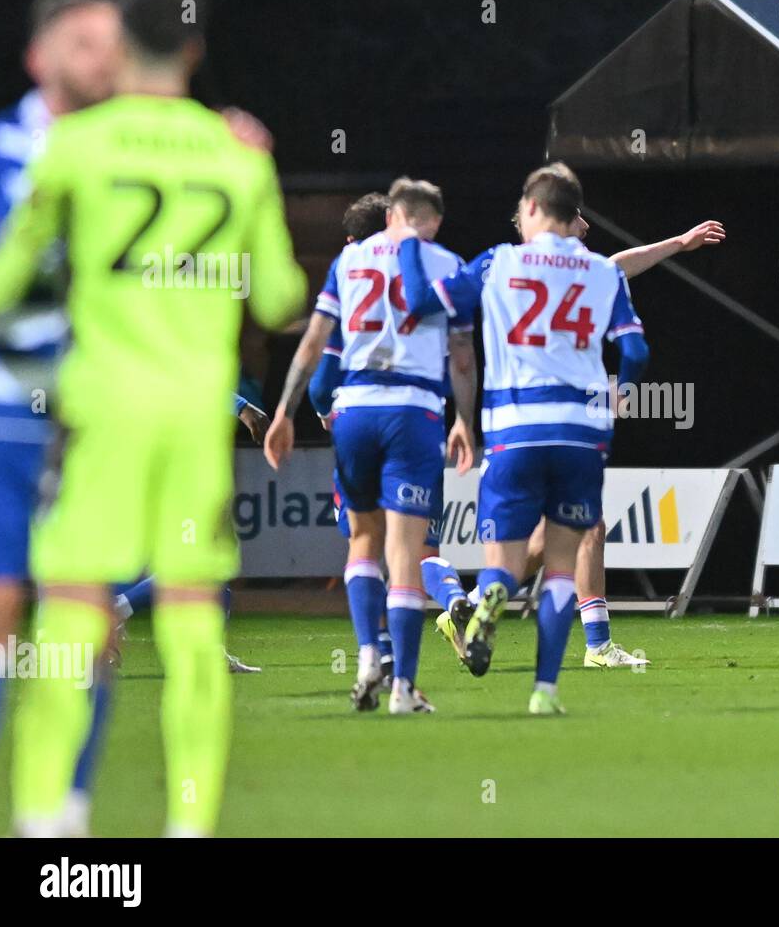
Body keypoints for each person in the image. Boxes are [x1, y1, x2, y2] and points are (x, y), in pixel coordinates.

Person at [0, 0, 306, 837]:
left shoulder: (79, 149)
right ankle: (190, 825)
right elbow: (279, 299)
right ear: (195, 49)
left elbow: (3, 286)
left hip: (99, 417)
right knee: (197, 627)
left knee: (71, 611)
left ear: (122, 47)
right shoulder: (234, 155)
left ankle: (48, 820)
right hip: (194, 422)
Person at [435, 213, 725, 669]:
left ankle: (471, 605)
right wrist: (623, 392)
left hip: (513, 426)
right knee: (582, 527)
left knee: (562, 534)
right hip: (559, 424)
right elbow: (625, 310)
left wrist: (677, 241)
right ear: (552, 218)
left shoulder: (508, 267)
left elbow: (617, 266)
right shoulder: (556, 272)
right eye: (576, 216)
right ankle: (594, 645)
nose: (586, 226)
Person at [421, 162, 648, 714]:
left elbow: (429, 301)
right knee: (563, 568)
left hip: (514, 432)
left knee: (505, 558)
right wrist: (613, 403)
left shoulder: (498, 262)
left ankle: (491, 594)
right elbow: (636, 352)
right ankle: (545, 692)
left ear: (528, 208)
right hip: (578, 434)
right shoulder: (602, 272)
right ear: (575, 216)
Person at [265, 178, 476, 714]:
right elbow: (462, 356)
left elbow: (313, 342)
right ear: (435, 220)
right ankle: (403, 687)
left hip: (355, 409)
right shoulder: (448, 263)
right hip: (413, 412)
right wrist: (466, 422)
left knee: (362, 540)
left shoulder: (349, 262)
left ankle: (366, 657)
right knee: (406, 554)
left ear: (391, 215)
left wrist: (285, 412)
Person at [0, 0, 119, 796]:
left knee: (90, 621)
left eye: (113, 44)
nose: (103, 60)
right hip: (2, 410)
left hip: (96, 420)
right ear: (41, 57)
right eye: (84, 43)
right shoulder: (1, 150)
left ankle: (61, 817)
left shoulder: (139, 156)